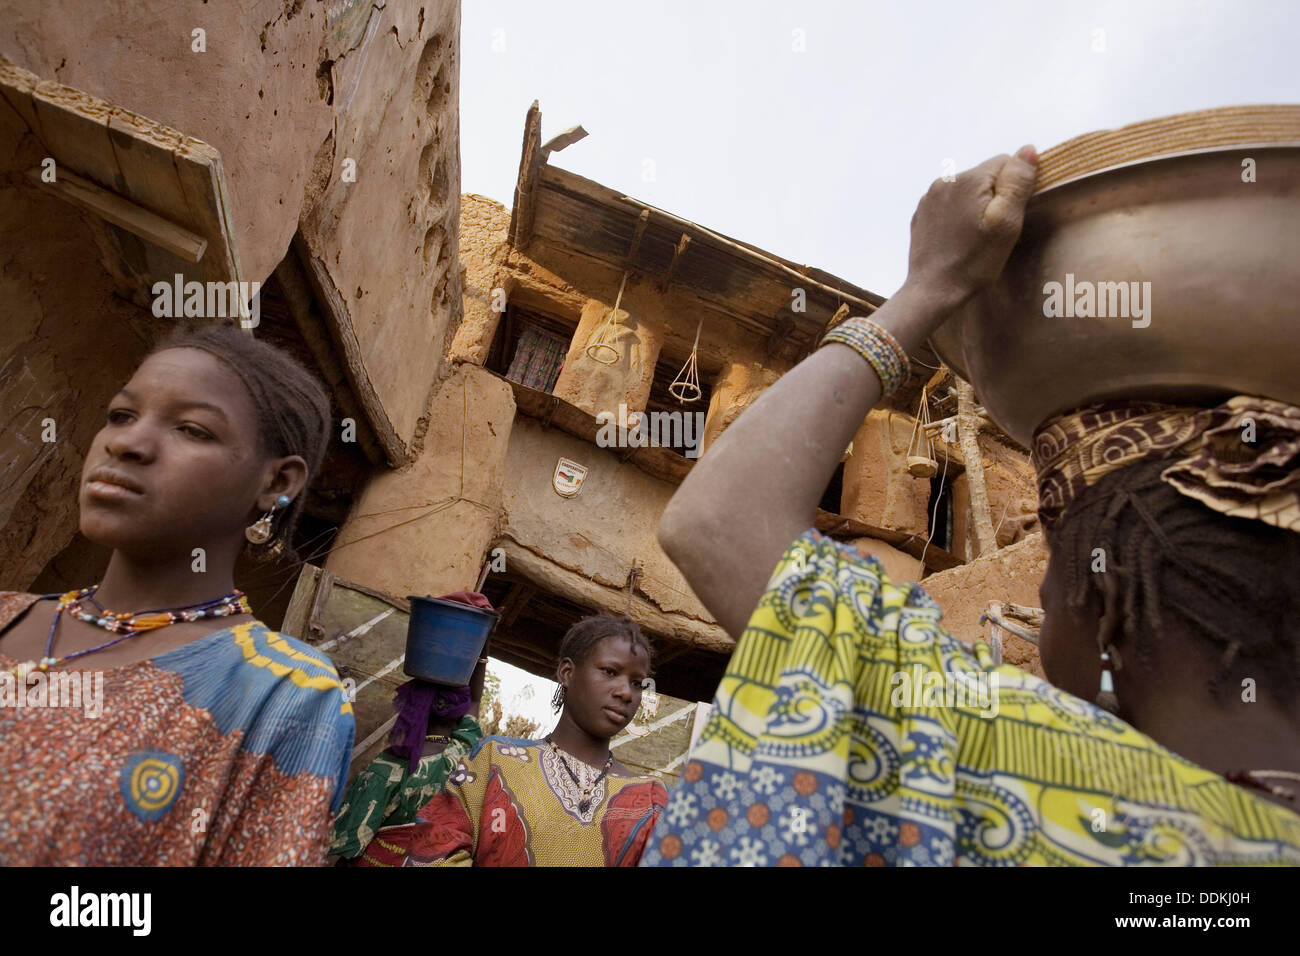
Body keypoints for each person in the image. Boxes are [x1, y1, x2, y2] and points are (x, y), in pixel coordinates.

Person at [641, 148, 1300, 866]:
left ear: (1104, 597)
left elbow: (716, 520)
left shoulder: (1019, 760)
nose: (1039, 610)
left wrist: (930, 284)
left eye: (1050, 583)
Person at [0, 322, 355, 865]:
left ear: (277, 482)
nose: (126, 442)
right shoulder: (9, 616)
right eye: (121, 415)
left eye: (191, 429)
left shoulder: (282, 693)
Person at [358, 614, 669, 866]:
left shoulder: (651, 800)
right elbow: (433, 850)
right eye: (610, 672)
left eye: (637, 683)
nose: (626, 693)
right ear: (567, 672)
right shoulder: (495, 760)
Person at [330, 592, 491, 864]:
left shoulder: (385, 771)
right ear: (457, 713)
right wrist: (484, 635)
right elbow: (475, 700)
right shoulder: (463, 754)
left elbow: (348, 848)